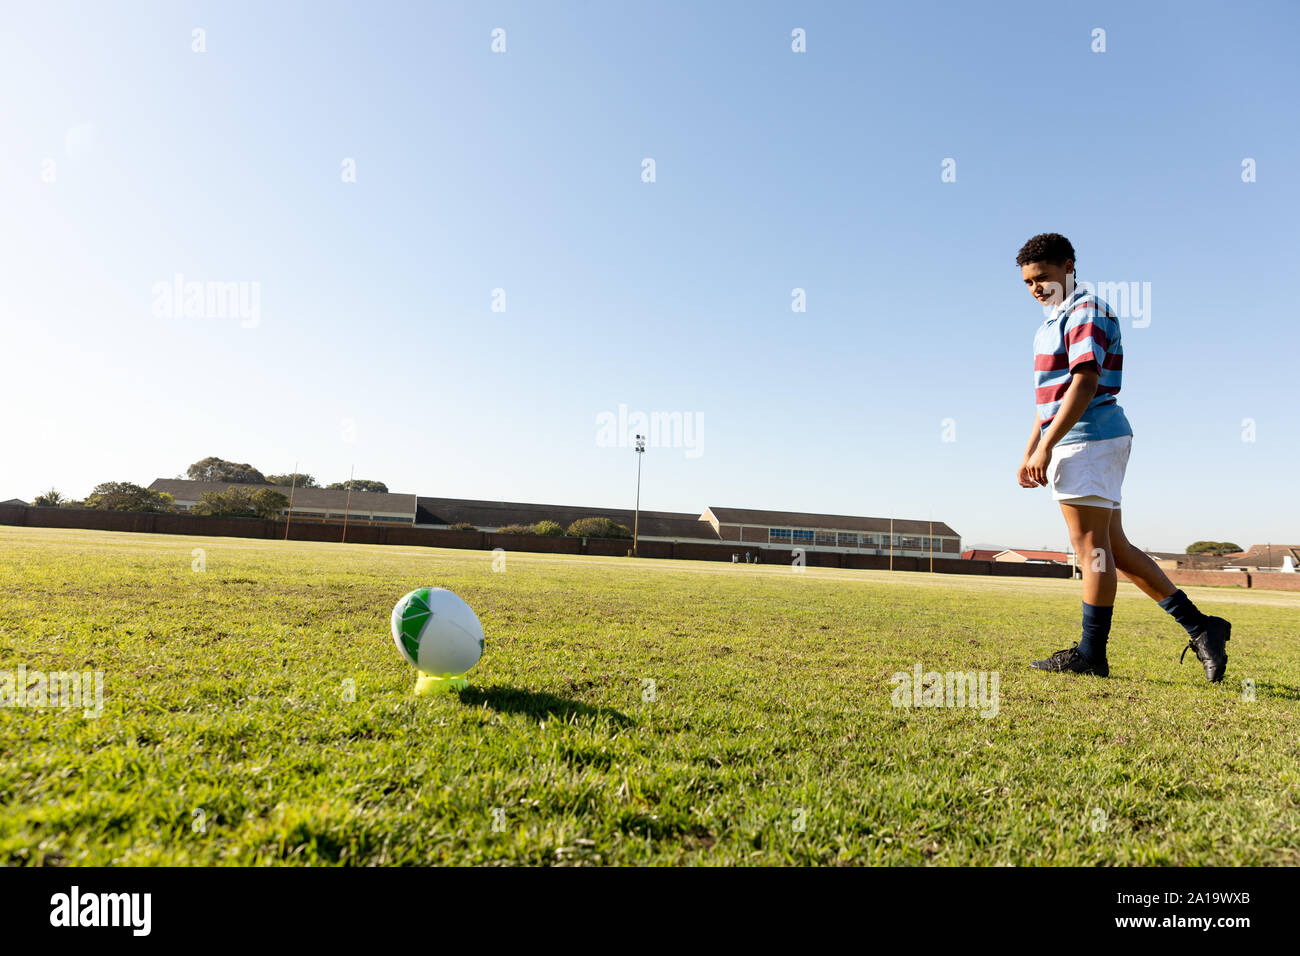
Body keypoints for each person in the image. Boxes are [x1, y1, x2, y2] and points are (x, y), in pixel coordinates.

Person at [1015, 233, 1230, 681]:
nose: (1036, 287)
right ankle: (1203, 627)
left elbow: (1085, 382)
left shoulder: (1084, 310)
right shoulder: (1050, 321)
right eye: (1029, 282)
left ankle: (1092, 655)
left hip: (1089, 437)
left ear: (1069, 267)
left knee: (1091, 549)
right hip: (1082, 439)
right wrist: (1030, 448)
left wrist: (1047, 444)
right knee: (1115, 547)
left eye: (1044, 277)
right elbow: (1047, 399)